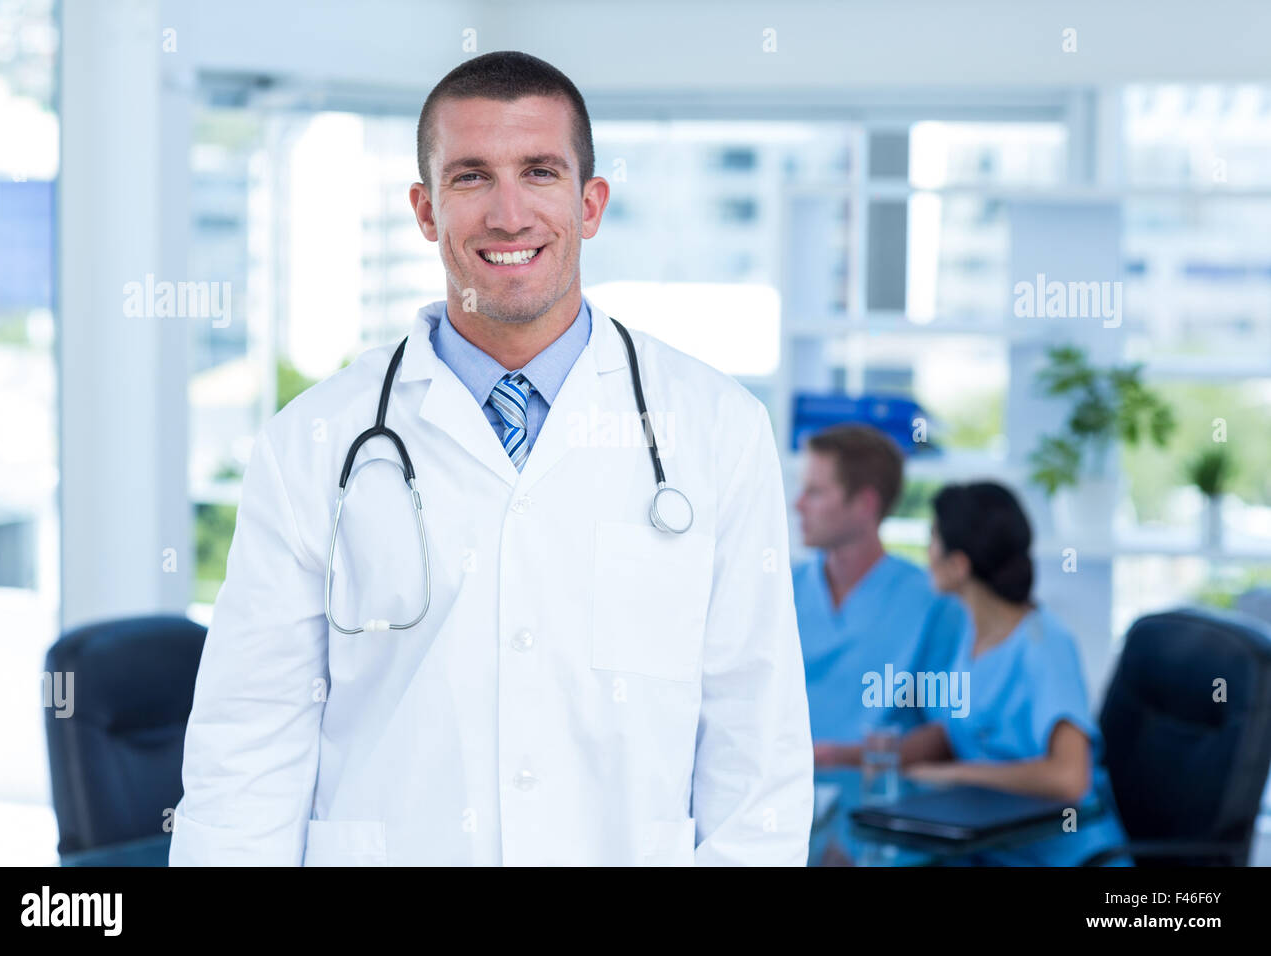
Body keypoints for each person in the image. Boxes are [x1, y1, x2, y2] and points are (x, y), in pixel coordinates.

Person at [169, 51, 812, 866]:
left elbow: (756, 744)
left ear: (591, 202)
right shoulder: (314, 443)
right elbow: (249, 744)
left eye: (539, 172)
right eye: (471, 177)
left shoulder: (717, 428)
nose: (509, 215)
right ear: (426, 209)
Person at [901, 481, 1132, 866]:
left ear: (959, 565)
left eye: (933, 540)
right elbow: (976, 725)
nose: (927, 555)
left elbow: (1070, 779)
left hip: (1065, 858)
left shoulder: (1044, 645)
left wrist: (958, 775)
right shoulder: (971, 633)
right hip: (996, 849)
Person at [794, 424, 967, 761]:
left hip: (878, 797)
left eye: (814, 492)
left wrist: (846, 757)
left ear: (864, 503)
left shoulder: (933, 603)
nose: (797, 505)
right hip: (776, 798)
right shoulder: (780, 590)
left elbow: (947, 733)